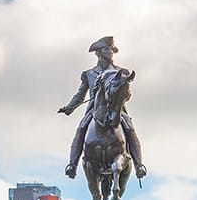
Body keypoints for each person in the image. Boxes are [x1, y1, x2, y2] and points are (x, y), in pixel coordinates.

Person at [59, 35, 147, 180]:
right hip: (95, 110)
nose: (111, 53)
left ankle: (139, 165)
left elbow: (127, 94)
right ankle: (72, 165)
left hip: (116, 109)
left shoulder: (121, 72)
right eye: (107, 50)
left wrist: (121, 96)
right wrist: (69, 107)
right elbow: (80, 95)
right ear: (99, 53)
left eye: (112, 50)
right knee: (81, 129)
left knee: (130, 129)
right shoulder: (89, 74)